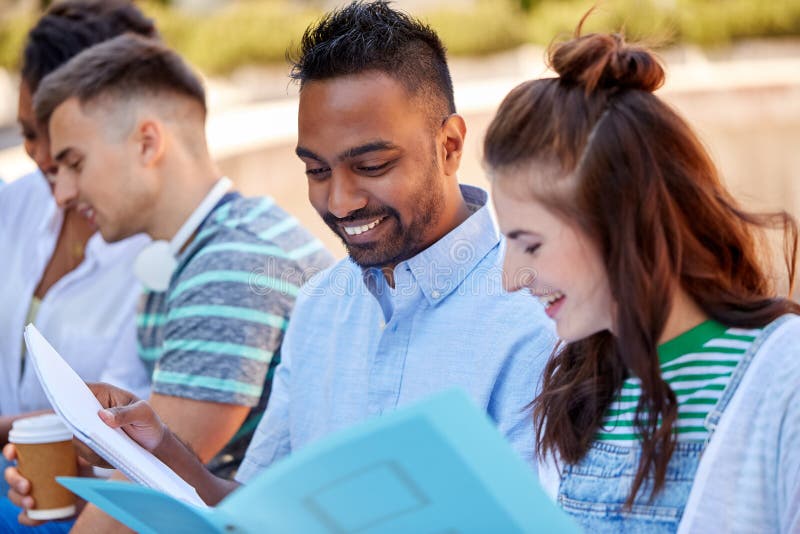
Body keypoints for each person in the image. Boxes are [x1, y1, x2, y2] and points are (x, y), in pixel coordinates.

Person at [5, 0, 555, 514]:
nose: (339, 201)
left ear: (451, 146)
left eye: (371, 165)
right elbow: (256, 507)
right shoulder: (320, 306)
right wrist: (159, 449)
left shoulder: (538, 311)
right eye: (316, 171)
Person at [4, 30, 333, 534]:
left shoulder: (232, 266)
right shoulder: (190, 254)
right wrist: (73, 495)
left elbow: (141, 500)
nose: (64, 193)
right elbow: (158, 479)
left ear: (147, 142)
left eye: (74, 163)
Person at [483, 24, 800, 532]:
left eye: (531, 243)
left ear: (621, 223)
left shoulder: (785, 377)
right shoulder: (571, 390)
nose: (510, 278)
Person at [0, 1, 156, 525]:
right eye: (26, 133)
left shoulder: (159, 255)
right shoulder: (15, 204)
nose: (41, 155)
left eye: (57, 135)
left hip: (89, 509)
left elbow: (123, 420)